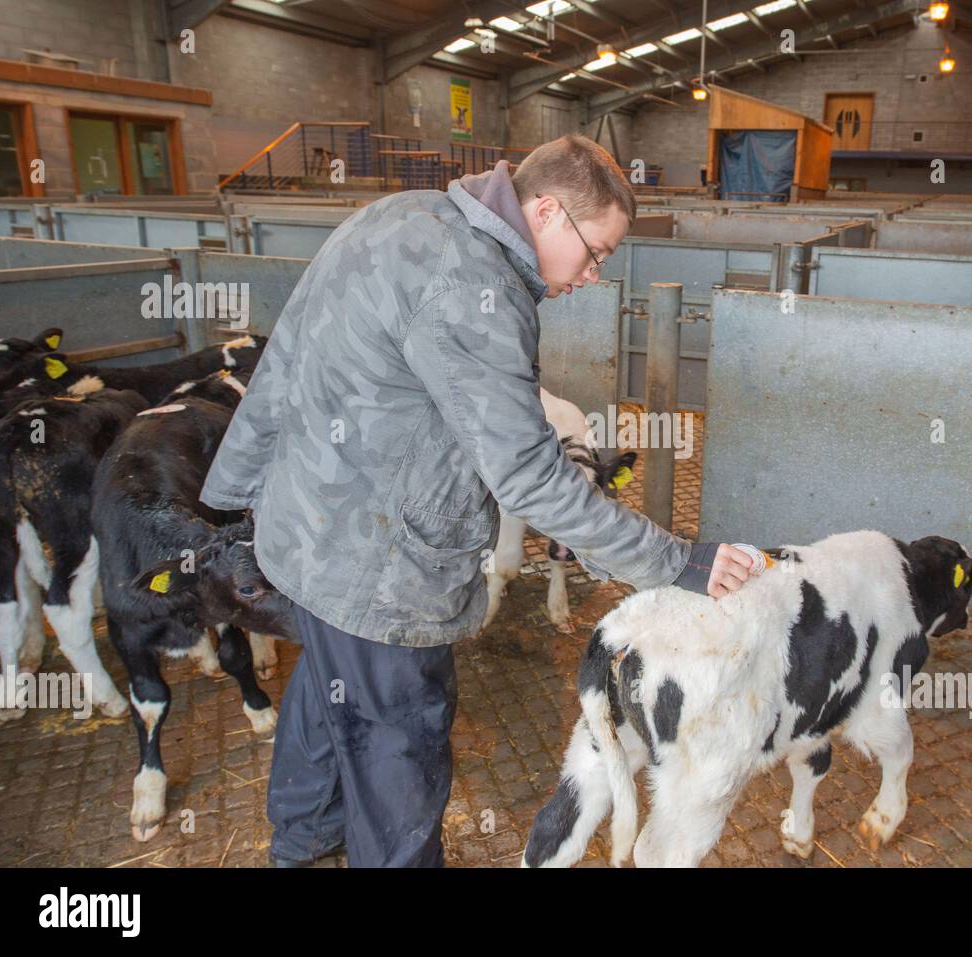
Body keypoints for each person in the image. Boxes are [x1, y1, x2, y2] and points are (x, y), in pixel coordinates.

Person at [199, 134, 758, 867]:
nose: (592, 276)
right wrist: (678, 559)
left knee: (327, 693)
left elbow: (284, 356)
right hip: (380, 570)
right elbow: (529, 476)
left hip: (304, 533)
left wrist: (235, 497)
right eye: (596, 253)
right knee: (396, 746)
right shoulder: (473, 287)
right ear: (549, 211)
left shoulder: (401, 214)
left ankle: (301, 845)